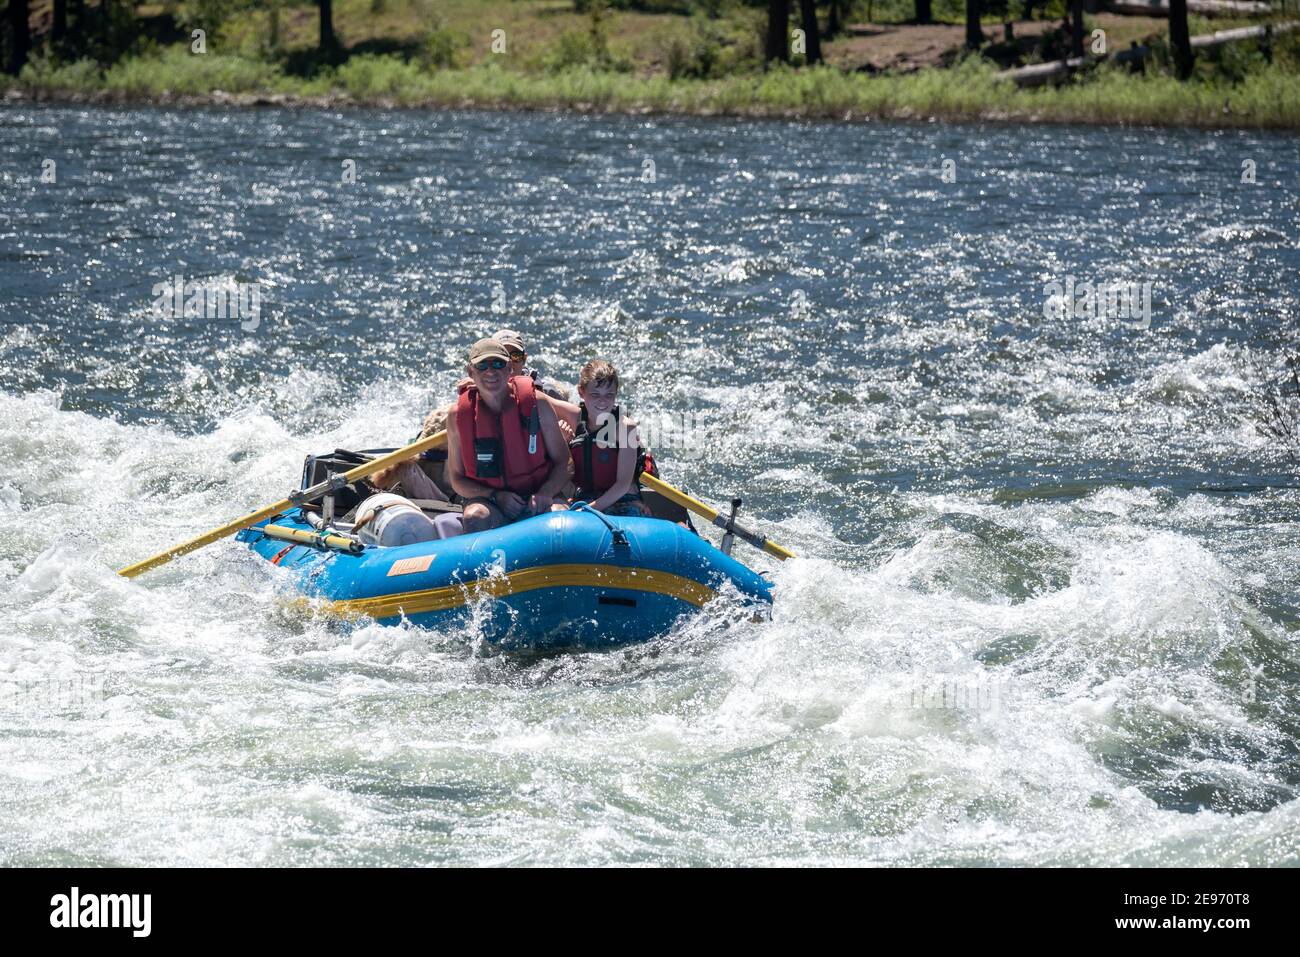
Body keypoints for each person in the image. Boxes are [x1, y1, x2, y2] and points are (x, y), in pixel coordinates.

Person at [446, 338, 572, 532]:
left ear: (509, 370)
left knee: (558, 519)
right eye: (482, 365)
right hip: (492, 503)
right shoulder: (457, 416)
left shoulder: (538, 404)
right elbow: (457, 479)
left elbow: (564, 462)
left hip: (539, 496)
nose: (490, 371)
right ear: (471, 372)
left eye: (498, 364)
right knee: (475, 517)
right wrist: (495, 495)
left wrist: (545, 493)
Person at [568, 359, 655, 517]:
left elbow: (622, 485)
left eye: (609, 395)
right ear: (581, 392)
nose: (602, 401)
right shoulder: (573, 418)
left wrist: (589, 509)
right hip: (586, 496)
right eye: (595, 394)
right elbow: (542, 401)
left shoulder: (626, 427)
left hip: (625, 499)